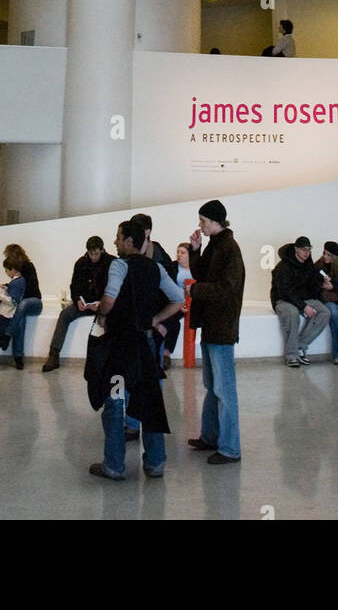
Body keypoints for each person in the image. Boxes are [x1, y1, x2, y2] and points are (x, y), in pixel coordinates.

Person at [85, 219, 183, 481]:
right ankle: (155, 463)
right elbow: (178, 300)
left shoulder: (119, 265)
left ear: (129, 241)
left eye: (118, 237)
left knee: (115, 401)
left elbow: (109, 299)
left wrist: (103, 314)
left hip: (119, 349)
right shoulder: (155, 269)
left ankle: (115, 465)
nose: (115, 242)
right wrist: (153, 320)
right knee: (148, 399)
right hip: (146, 347)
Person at [186, 200, 245, 465]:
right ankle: (210, 436)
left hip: (221, 327)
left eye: (204, 221)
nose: (200, 225)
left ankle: (231, 448)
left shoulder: (230, 249)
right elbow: (201, 274)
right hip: (211, 326)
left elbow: (226, 289)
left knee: (224, 389)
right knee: (212, 386)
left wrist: (195, 291)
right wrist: (196, 252)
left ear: (216, 221)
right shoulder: (215, 245)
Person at [41, 235, 113, 371]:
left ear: (102, 250)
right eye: (91, 253)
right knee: (65, 315)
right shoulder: (81, 263)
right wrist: (78, 300)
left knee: (112, 317)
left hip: (104, 302)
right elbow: (74, 287)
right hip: (85, 303)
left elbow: (113, 288)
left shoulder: (111, 263)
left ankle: (111, 356)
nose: (93, 257)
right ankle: (54, 354)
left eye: (96, 253)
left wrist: (101, 302)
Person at [271, 235, 331, 368]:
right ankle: (292, 355)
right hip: (283, 299)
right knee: (292, 314)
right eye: (304, 249)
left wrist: (323, 282)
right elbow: (285, 291)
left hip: (302, 299)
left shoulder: (308, 264)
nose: (307, 253)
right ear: (296, 249)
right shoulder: (283, 266)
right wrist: (304, 307)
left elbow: (313, 281)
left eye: (309, 249)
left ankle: (299, 346)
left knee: (325, 312)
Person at [0, 243, 41, 369]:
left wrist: (13, 290)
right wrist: (7, 286)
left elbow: (30, 289)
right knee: (20, 319)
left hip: (34, 302)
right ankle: (18, 357)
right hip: (22, 305)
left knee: (22, 304)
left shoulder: (28, 267)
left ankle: (8, 334)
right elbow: (18, 289)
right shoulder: (16, 273)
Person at [161, 243, 193, 365]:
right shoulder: (172, 267)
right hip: (176, 301)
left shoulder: (196, 268)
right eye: (178, 252)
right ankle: (166, 352)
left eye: (183, 253)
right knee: (173, 320)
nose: (179, 255)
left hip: (192, 301)